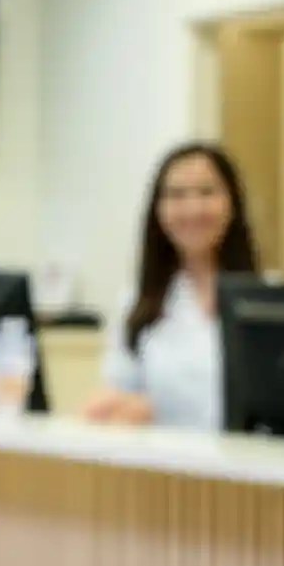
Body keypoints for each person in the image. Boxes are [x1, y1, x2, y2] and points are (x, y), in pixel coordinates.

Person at [84, 142, 260, 430]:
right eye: (176, 195)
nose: (192, 209)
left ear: (232, 204)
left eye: (207, 192)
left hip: (242, 467)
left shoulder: (265, 300)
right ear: (158, 211)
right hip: (164, 467)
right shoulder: (138, 302)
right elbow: (116, 392)